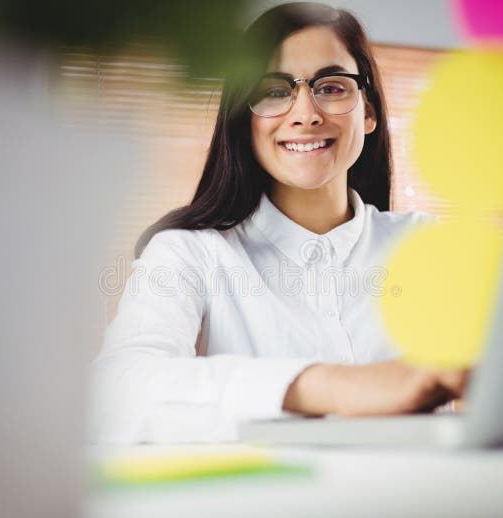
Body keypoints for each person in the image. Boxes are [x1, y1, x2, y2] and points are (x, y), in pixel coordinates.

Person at [89, 2, 468, 444]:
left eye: (331, 87)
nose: (305, 113)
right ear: (243, 118)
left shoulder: (431, 244)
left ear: (368, 112)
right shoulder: (189, 253)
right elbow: (115, 394)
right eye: (274, 90)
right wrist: (330, 387)